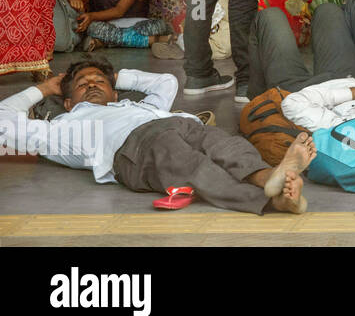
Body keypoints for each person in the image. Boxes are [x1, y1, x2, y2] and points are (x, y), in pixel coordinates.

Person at [0, 57, 313, 214]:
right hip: (136, 148)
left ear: (114, 91)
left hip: (180, 124)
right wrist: (42, 89)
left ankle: (268, 178)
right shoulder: (65, 126)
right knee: (188, 164)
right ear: (67, 101)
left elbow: (166, 82)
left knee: (224, 143)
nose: (93, 84)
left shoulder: (138, 105)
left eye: (100, 81)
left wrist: (115, 75)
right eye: (82, 84)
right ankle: (271, 202)